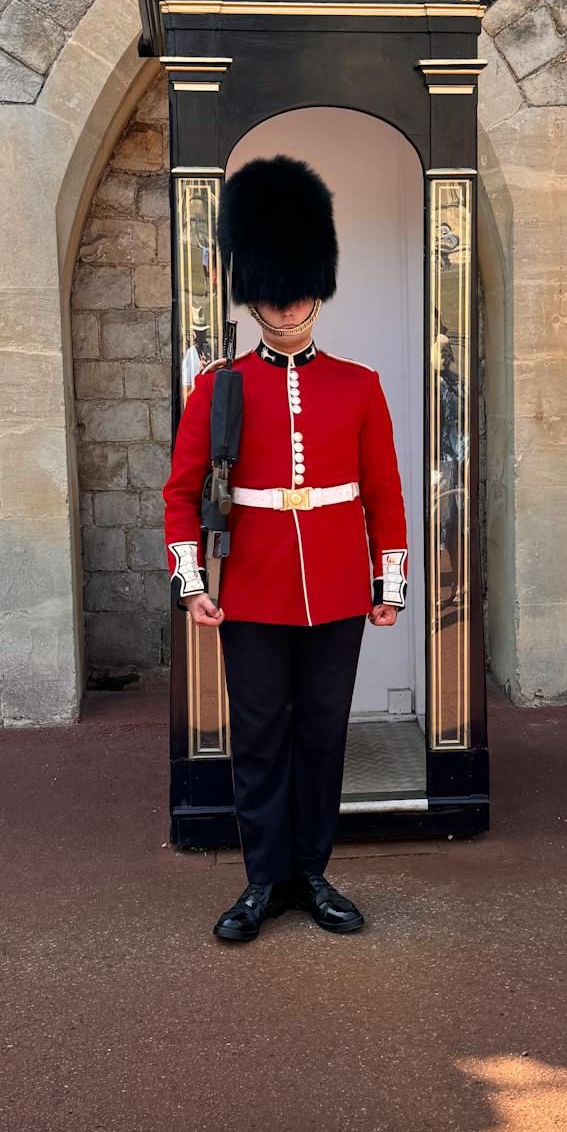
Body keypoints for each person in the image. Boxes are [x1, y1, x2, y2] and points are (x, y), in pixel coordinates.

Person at [162, 154, 409, 944]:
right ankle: (263, 878)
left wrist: (389, 580)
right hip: (253, 592)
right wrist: (191, 580)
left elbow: (385, 495)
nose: (289, 300)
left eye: (299, 285)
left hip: (338, 587)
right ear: (256, 290)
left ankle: (312, 870)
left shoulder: (359, 385)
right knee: (261, 736)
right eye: (274, 287)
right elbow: (180, 491)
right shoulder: (219, 387)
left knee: (323, 733)